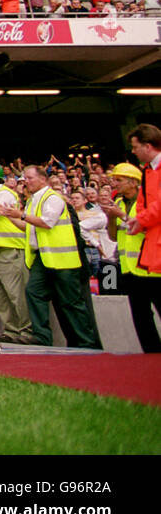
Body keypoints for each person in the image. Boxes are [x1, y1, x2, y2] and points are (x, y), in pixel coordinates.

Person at [0, 165, 101, 349]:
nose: (26, 182)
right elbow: (29, 227)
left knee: (70, 302)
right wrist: (10, 216)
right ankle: (42, 336)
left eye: (29, 178)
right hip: (43, 258)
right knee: (33, 292)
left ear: (43, 179)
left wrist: (20, 214)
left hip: (62, 259)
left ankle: (87, 342)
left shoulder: (53, 198)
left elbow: (46, 223)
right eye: (25, 179)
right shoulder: (34, 201)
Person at [0, 161, 38, 344]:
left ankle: (27, 331)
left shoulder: (4, 193)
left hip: (9, 251)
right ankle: (11, 331)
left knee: (16, 295)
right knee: (1, 298)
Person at [121, 128, 161, 350]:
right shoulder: (148, 171)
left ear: (148, 146)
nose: (133, 152)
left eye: (136, 147)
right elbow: (147, 203)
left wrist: (141, 220)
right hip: (152, 247)